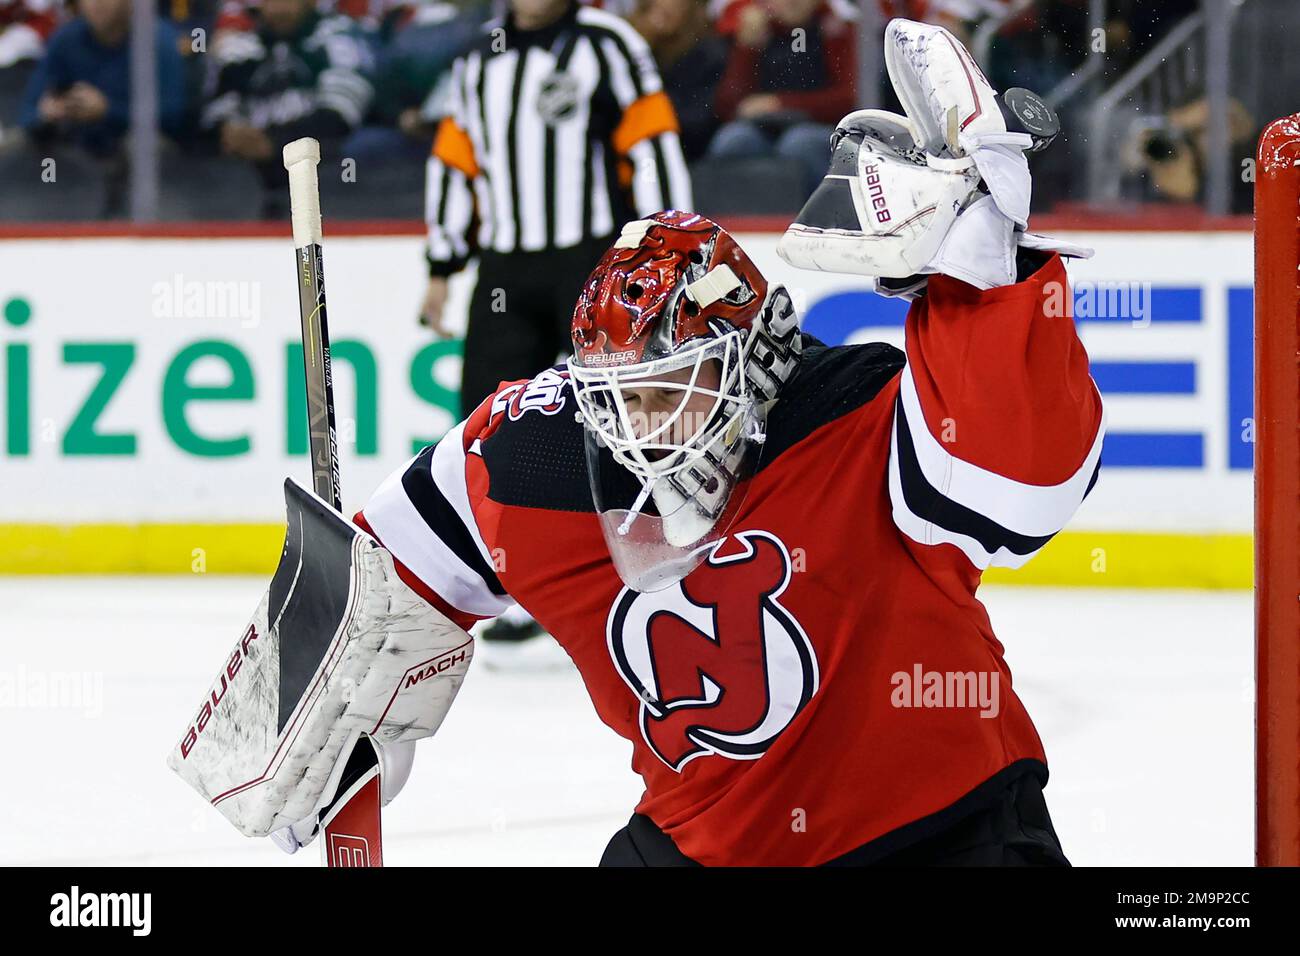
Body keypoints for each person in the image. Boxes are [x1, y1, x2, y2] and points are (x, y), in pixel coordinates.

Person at [337, 20, 1103, 864]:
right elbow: (377, 566)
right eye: (616, 398)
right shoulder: (536, 449)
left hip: (944, 826)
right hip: (709, 845)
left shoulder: (859, 412)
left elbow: (1016, 499)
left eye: (669, 386)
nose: (639, 428)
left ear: (756, 355)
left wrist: (984, 267)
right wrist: (343, 702)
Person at [418, 0, 692, 657]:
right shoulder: (478, 57)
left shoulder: (609, 45)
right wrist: (441, 263)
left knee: (622, 419)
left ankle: (650, 568)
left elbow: (652, 144)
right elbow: (457, 160)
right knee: (487, 421)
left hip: (593, 258)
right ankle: (517, 580)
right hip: (506, 263)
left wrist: (668, 251)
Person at [200, 0, 374, 214]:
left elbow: (343, 112)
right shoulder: (240, 47)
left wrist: (275, 143)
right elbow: (216, 110)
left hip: (326, 166)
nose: (278, 9)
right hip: (249, 169)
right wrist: (229, 132)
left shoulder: (337, 37)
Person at [709, 0, 855, 195]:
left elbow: (850, 99)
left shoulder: (836, 29)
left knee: (800, 143)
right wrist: (746, 49)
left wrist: (781, 104)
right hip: (764, 129)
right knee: (733, 140)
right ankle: (742, 220)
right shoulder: (760, 29)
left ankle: (813, 219)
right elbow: (726, 106)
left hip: (823, 127)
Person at [19, 0, 186, 157]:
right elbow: (28, 109)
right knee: (22, 145)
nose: (97, 3)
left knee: (146, 146)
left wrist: (107, 110)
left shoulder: (157, 39)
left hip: (135, 149)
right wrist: (48, 112)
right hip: (76, 146)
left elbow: (172, 117)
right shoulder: (66, 38)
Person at [628, 0, 726, 163]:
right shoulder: (635, 47)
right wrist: (641, 46)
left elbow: (698, 120)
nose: (664, 5)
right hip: (637, 149)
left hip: (690, 155)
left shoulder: (708, 52)